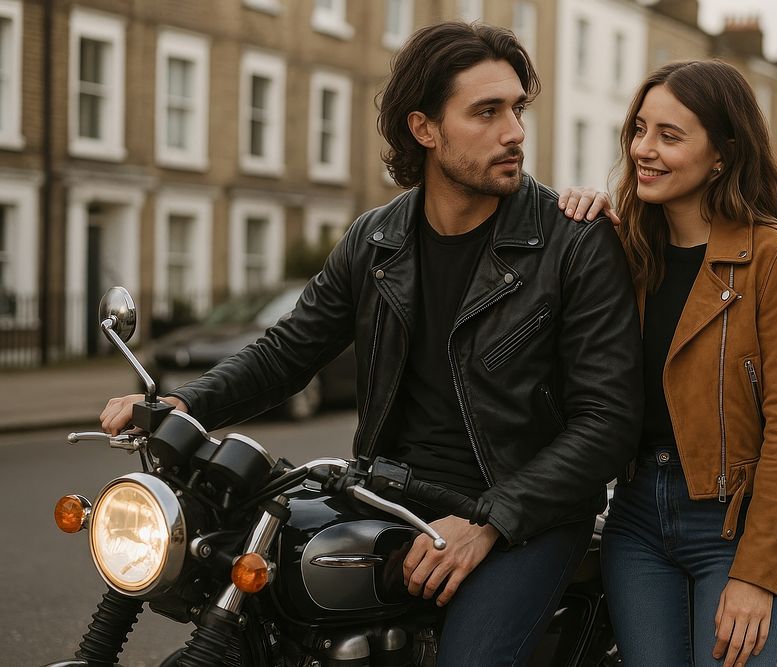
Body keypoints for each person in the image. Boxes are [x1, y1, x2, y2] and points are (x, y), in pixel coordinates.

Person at [101, 22, 642, 666]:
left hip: (525, 516)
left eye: (516, 109)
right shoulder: (375, 241)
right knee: (265, 609)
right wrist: (185, 407)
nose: (515, 132)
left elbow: (607, 421)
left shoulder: (572, 243)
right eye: (486, 111)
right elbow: (288, 351)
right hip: (387, 494)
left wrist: (491, 521)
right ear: (424, 129)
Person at [559, 59, 777, 667]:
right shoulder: (620, 250)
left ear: (724, 153)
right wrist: (575, 213)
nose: (644, 150)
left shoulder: (776, 256)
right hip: (635, 521)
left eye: (669, 136)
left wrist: (757, 575)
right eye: (639, 129)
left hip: (732, 526)